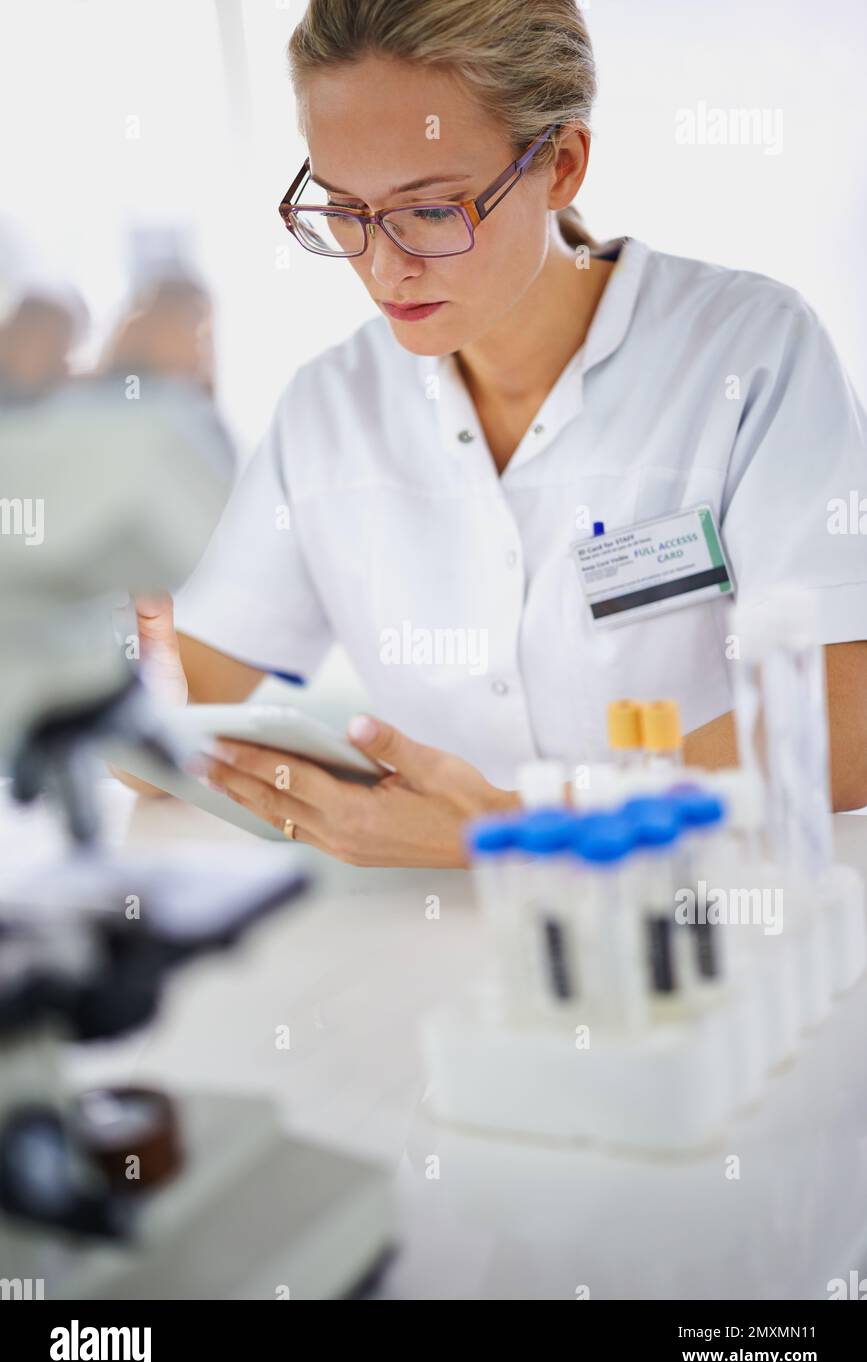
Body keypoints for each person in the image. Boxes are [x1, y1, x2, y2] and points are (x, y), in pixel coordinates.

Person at [132, 0, 867, 866]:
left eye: (430, 210)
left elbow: (844, 722)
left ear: (561, 165)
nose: (384, 266)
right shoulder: (328, 409)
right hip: (441, 934)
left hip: (705, 914)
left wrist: (510, 826)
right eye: (342, 208)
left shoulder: (747, 350)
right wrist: (107, 673)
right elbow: (170, 710)